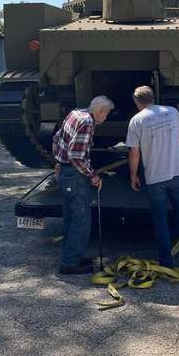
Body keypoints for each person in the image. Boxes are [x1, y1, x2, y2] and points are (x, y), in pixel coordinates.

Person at [126, 85, 179, 273]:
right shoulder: (172, 112)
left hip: (154, 179)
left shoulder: (137, 120)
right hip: (176, 174)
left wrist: (133, 175)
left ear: (136, 102)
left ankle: (166, 264)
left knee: (161, 221)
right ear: (153, 97)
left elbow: (134, 153)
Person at [52, 95, 114, 274]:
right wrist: (93, 176)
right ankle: (70, 263)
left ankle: (71, 255)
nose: (106, 118)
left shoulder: (75, 113)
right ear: (100, 111)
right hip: (75, 176)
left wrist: (57, 161)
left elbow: (57, 138)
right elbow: (77, 156)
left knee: (70, 217)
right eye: (107, 114)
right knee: (81, 220)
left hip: (65, 174)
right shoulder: (88, 122)